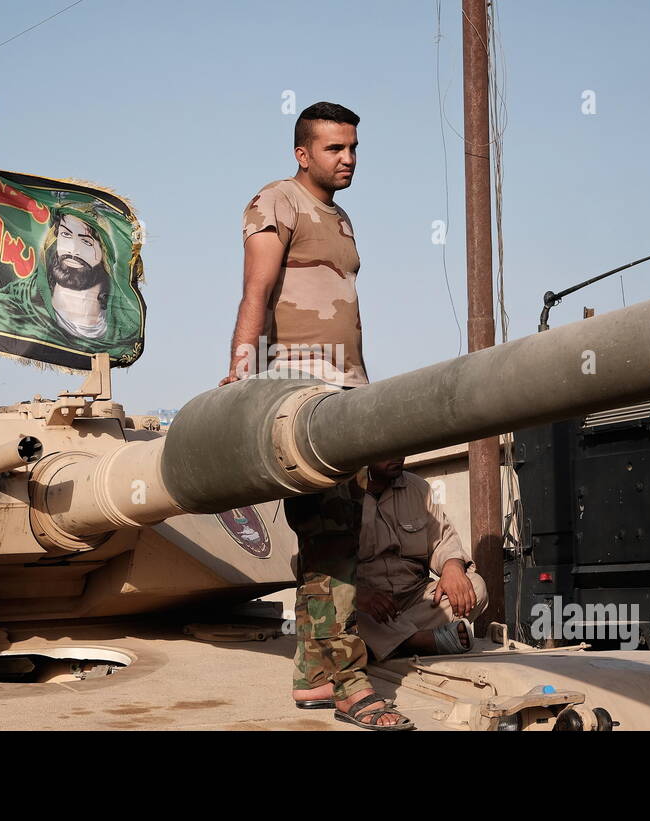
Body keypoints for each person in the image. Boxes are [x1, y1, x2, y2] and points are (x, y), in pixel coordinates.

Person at [222, 102, 411, 730]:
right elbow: (256, 290)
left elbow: (349, 320)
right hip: (301, 396)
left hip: (346, 393)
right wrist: (242, 374)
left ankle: (312, 681)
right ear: (303, 153)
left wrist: (369, 405)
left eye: (353, 147)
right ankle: (350, 682)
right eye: (334, 148)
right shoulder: (276, 201)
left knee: (337, 545)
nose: (348, 158)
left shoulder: (342, 218)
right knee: (333, 548)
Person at [353, 457, 487, 661]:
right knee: (339, 606)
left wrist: (452, 567)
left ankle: (387, 643)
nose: (398, 456)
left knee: (475, 587)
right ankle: (417, 641)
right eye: (391, 449)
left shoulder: (418, 489)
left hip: (414, 597)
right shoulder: (340, 492)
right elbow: (312, 570)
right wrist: (358, 595)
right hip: (366, 603)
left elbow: (443, 540)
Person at [0, 206, 112, 346]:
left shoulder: (121, 323)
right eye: (66, 235)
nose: (73, 249)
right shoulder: (11, 302)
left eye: (86, 241)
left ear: (104, 254)